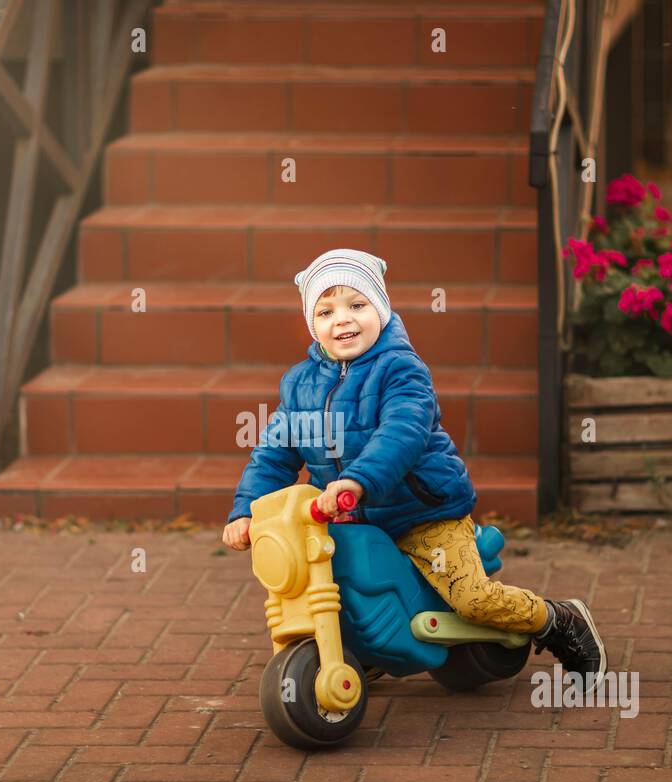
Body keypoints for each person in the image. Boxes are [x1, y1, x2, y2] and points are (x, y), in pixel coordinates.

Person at [221, 248, 606, 684]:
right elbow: (273, 452)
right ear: (313, 325)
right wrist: (247, 511)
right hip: (354, 519)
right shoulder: (300, 385)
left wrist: (357, 480)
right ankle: (361, 642)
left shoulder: (401, 370)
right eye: (326, 311)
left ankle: (556, 620)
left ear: (381, 310)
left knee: (471, 599)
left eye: (357, 305)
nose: (342, 319)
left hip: (423, 515)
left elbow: (401, 433)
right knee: (324, 583)